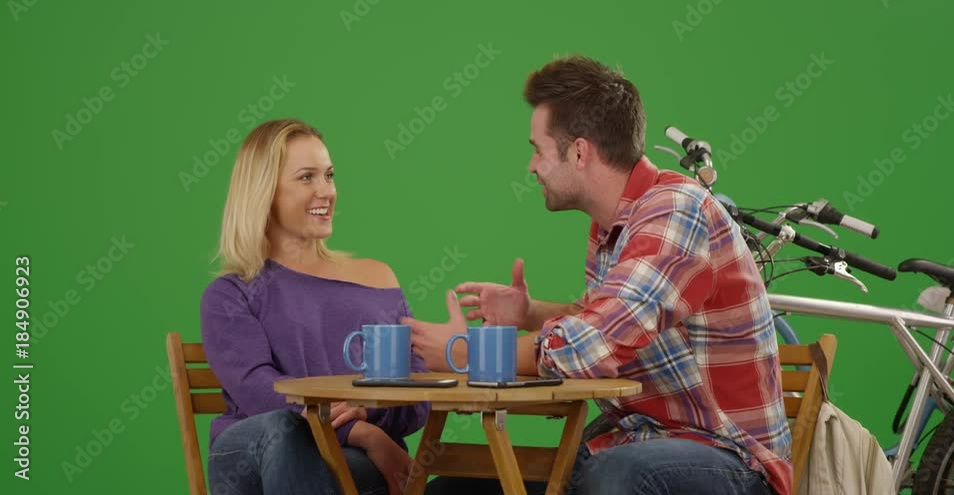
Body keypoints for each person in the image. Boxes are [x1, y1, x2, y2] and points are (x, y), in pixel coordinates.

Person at [404, 57, 792, 494]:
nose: (531, 166)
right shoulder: (611, 227)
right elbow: (608, 319)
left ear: (579, 152)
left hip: (728, 458)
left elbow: (591, 349)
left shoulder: (676, 210)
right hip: (633, 443)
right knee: (451, 492)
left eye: (537, 149)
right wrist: (531, 312)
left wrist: (464, 353)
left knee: (619, 475)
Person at [201, 119, 429, 495]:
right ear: (264, 192)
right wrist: (362, 432)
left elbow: (416, 388)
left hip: (346, 457)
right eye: (307, 177)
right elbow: (260, 393)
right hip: (252, 455)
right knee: (284, 431)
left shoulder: (377, 276)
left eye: (329, 175)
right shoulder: (230, 294)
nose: (326, 191)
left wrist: (370, 413)